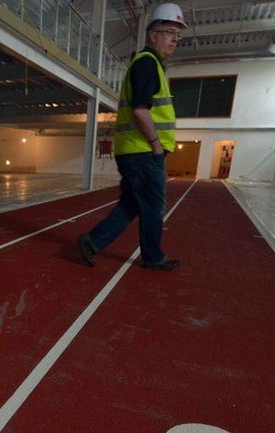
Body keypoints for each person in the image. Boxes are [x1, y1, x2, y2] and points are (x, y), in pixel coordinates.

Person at [78, 3, 186, 271]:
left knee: (132, 204)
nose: (175, 39)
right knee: (152, 208)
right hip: (143, 152)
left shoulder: (149, 65)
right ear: (152, 35)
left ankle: (92, 241)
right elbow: (140, 110)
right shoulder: (148, 64)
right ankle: (152, 257)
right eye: (169, 31)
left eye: (178, 34)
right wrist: (156, 146)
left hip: (134, 151)